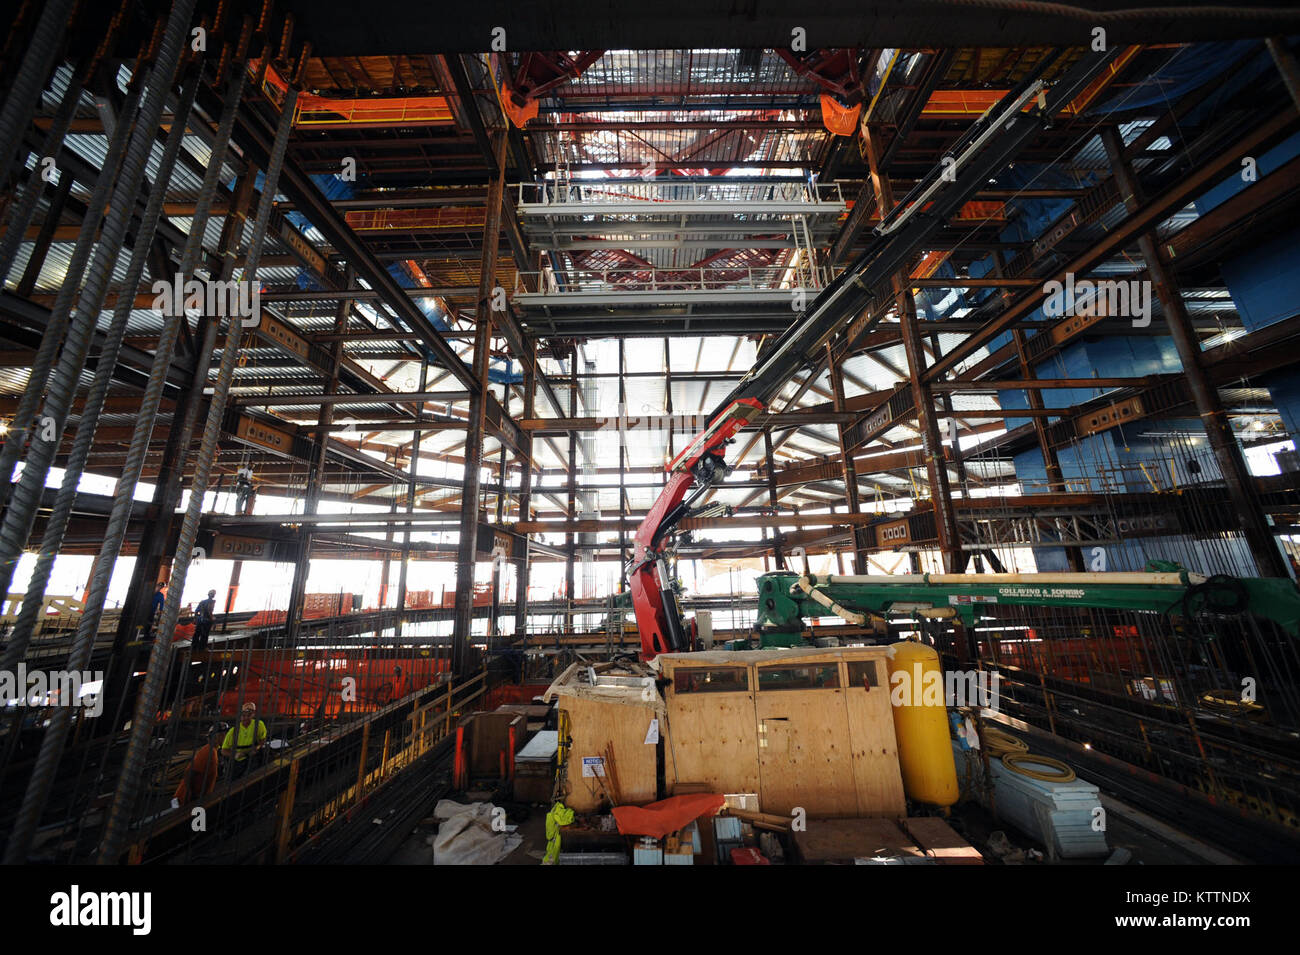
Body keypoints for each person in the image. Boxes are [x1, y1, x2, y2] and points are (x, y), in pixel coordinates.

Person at [171, 723, 226, 808]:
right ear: (217, 736)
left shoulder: (213, 751)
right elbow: (189, 773)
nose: (226, 737)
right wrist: (192, 795)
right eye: (224, 735)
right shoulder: (208, 752)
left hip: (194, 800)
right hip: (185, 801)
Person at [221, 704, 267, 779]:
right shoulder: (233, 731)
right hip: (238, 761)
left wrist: (257, 748)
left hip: (253, 758)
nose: (246, 718)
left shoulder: (259, 725)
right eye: (243, 715)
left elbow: (263, 740)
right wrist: (235, 754)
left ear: (252, 715)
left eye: (248, 715)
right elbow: (224, 750)